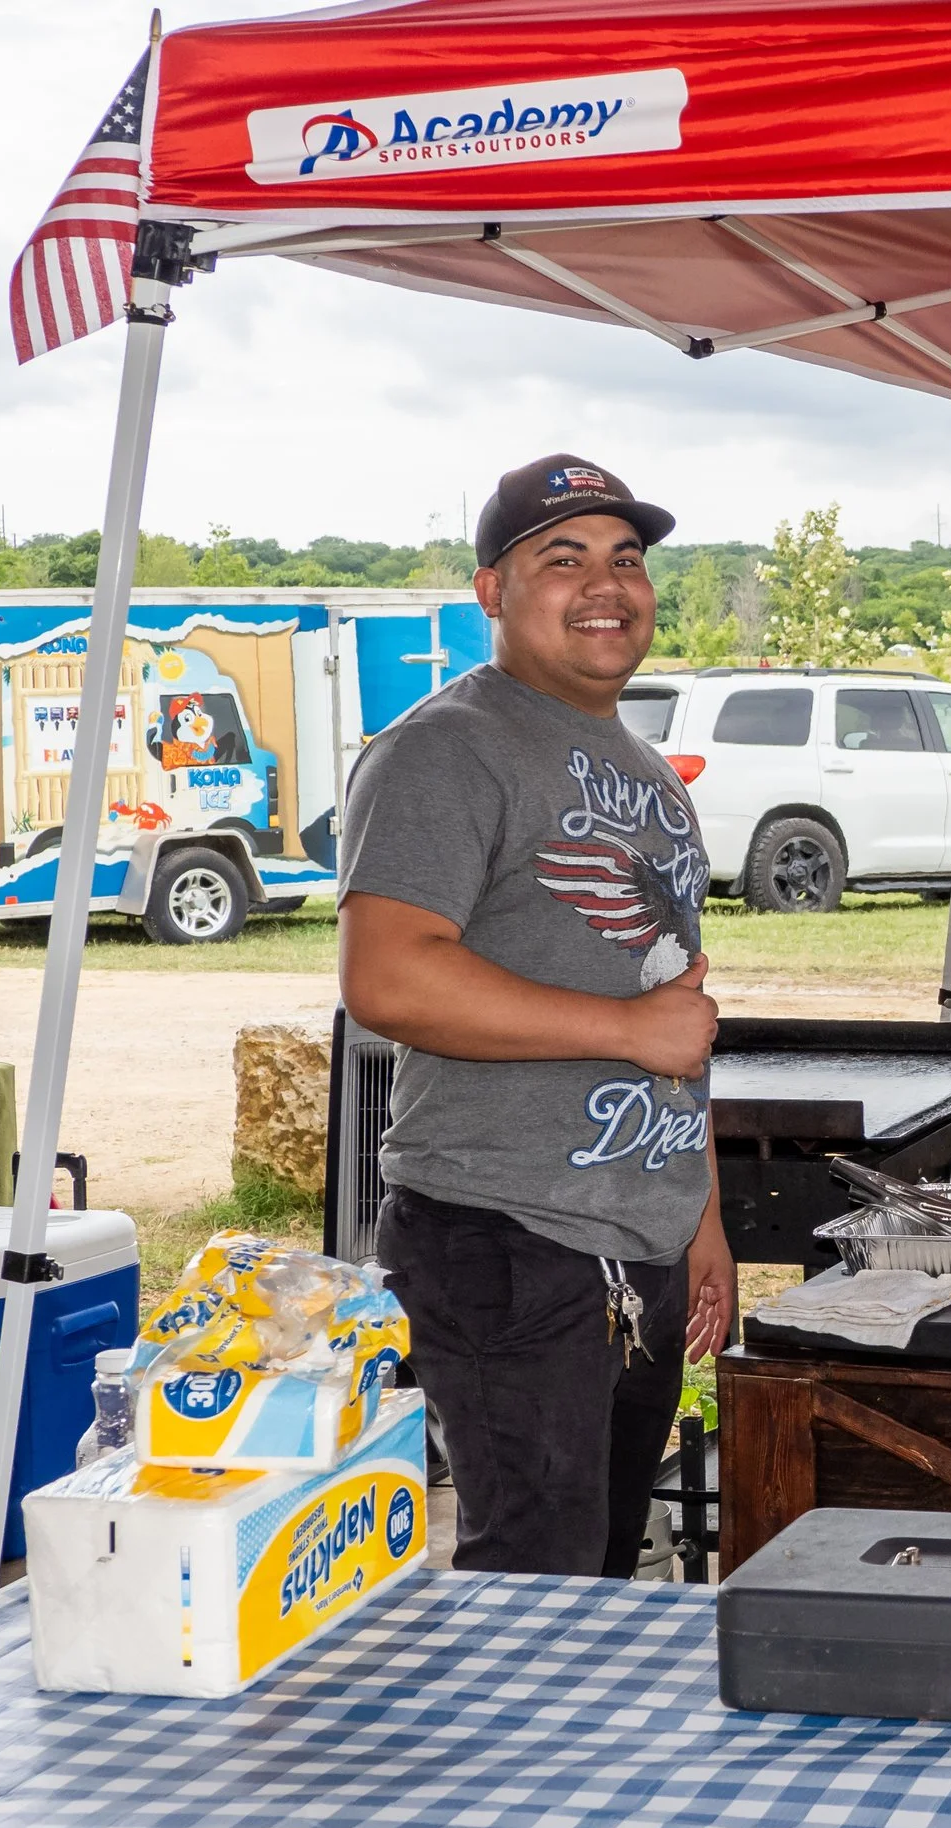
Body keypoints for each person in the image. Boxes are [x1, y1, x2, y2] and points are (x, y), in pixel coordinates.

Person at [338, 453, 734, 1578]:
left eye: (625, 559)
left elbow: (676, 1008)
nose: (604, 583)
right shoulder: (446, 748)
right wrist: (624, 1033)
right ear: (490, 591)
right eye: (561, 559)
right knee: (536, 1575)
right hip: (506, 1233)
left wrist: (697, 1210)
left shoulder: (650, 774)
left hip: (632, 1233)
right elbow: (389, 978)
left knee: (605, 1561)